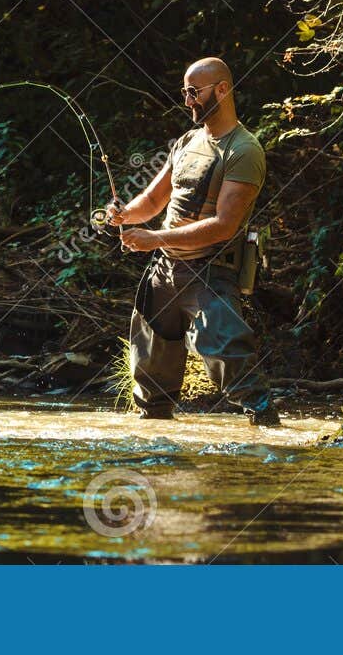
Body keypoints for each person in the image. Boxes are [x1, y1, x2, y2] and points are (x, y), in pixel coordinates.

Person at [103, 57, 276, 425]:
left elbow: (224, 226)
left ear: (223, 89)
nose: (187, 101)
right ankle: (157, 443)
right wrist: (123, 214)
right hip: (164, 274)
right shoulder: (185, 142)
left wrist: (153, 238)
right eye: (185, 92)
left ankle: (271, 441)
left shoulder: (244, 150)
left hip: (210, 275)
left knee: (235, 368)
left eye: (194, 92)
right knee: (151, 383)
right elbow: (151, 202)